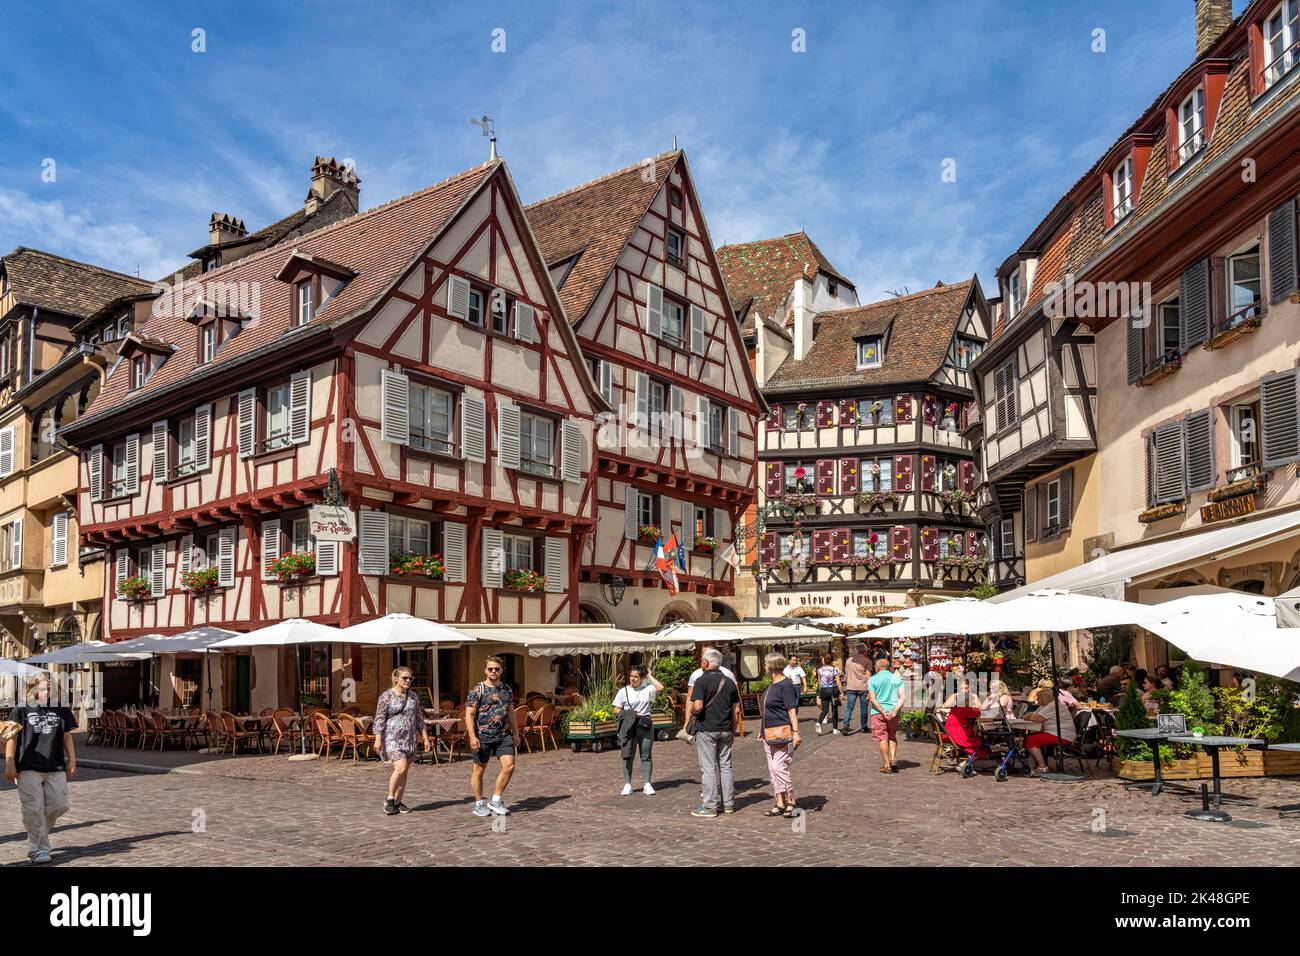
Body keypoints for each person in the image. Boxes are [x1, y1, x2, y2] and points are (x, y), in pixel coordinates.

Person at [3, 675, 77, 864]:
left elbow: (67, 736)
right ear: (33, 689)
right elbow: (11, 737)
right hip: (28, 767)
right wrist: (10, 763)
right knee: (34, 809)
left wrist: (72, 760)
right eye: (43, 689)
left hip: (56, 764)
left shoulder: (61, 709)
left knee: (60, 805)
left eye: (50, 689)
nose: (46, 692)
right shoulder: (20, 709)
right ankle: (38, 850)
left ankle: (35, 829)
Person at [689, 648, 742, 817]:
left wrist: (694, 712)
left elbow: (697, 706)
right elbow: (736, 710)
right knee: (726, 767)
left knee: (708, 768)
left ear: (706, 663)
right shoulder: (729, 682)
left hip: (707, 729)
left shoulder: (701, 681)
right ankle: (728, 804)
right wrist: (733, 729)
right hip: (725, 729)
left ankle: (710, 806)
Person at [372, 666, 431, 815]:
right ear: (396, 679)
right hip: (392, 738)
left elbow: (419, 718)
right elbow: (379, 719)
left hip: (409, 739)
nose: (408, 681)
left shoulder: (413, 696)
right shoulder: (387, 696)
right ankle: (390, 799)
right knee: (400, 768)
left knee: (404, 772)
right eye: (405, 678)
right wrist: (377, 739)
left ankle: (398, 802)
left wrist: (425, 738)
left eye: (410, 678)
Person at [465, 657, 520, 817]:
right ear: (485, 670)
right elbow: (469, 715)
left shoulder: (506, 689)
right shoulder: (477, 690)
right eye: (490, 669)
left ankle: (496, 799)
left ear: (502, 670)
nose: (494, 672)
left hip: (503, 734)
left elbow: (510, 711)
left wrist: (516, 732)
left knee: (509, 765)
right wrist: (472, 736)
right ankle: (479, 803)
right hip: (482, 735)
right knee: (479, 770)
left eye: (497, 669)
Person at [758, 653, 801, 818]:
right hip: (768, 735)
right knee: (772, 770)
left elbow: (791, 709)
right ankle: (780, 802)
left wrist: (796, 732)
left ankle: (791, 799)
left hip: (782, 733)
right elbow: (767, 711)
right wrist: (761, 730)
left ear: (772, 666)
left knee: (778, 767)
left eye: (765, 664)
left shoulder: (786, 685)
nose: (764, 667)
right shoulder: (771, 686)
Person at [613, 665, 664, 796]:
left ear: (642, 678)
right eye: (631, 676)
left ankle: (647, 784)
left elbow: (660, 687)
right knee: (627, 755)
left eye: (636, 677)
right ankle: (627, 784)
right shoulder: (623, 691)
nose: (633, 679)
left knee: (646, 755)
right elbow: (616, 710)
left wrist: (650, 675)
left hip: (645, 725)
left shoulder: (647, 689)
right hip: (629, 726)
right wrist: (629, 713)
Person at [678, 647, 737, 742]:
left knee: (707, 757)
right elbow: (735, 707)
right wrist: (734, 726)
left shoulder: (699, 679)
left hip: (706, 727)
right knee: (724, 757)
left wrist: (690, 716)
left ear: (706, 662)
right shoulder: (729, 678)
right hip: (725, 727)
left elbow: (696, 706)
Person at [1023, 684, 1079, 774]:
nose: (1036, 700)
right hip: (1058, 733)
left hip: (1062, 735)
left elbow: (1036, 717)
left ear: (1044, 698)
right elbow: (1033, 715)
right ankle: (1039, 764)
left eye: (1038, 698)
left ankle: (1042, 767)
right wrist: (1030, 715)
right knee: (1029, 737)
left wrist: (1029, 716)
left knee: (1030, 740)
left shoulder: (1053, 705)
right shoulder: (1047, 705)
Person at [867, 657, 905, 773]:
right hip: (894, 712)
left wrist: (883, 711)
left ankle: (887, 764)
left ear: (877, 667)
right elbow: (902, 697)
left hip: (878, 712)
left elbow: (872, 699)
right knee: (892, 736)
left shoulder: (873, 679)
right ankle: (893, 759)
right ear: (889, 667)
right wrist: (894, 710)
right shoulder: (897, 678)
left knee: (882, 737)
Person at [840, 643, 873, 735]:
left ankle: (846, 725)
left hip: (851, 686)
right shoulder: (868, 661)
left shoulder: (848, 660)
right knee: (864, 708)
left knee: (849, 708)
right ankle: (863, 726)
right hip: (863, 687)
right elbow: (868, 676)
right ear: (865, 651)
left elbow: (846, 674)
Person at [814, 655, 843, 735]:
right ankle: (835, 729)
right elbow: (838, 682)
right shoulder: (834, 670)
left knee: (825, 709)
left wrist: (819, 693)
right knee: (834, 709)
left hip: (823, 690)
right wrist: (841, 692)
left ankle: (819, 722)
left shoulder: (819, 670)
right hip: (832, 690)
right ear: (831, 661)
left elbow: (819, 683)